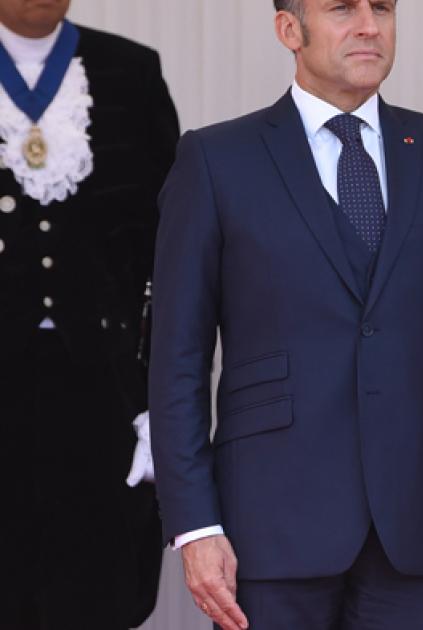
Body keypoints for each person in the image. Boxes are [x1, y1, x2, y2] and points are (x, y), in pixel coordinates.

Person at [149, 1, 423, 629]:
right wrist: (195, 524)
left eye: (384, 8)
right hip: (267, 525)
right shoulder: (216, 159)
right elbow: (177, 360)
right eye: (343, 7)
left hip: (418, 525)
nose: (370, 25)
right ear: (290, 29)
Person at [0, 0, 179, 627]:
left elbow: (170, 256)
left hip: (102, 395)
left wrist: (164, 403)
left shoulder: (128, 72)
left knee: (95, 592)